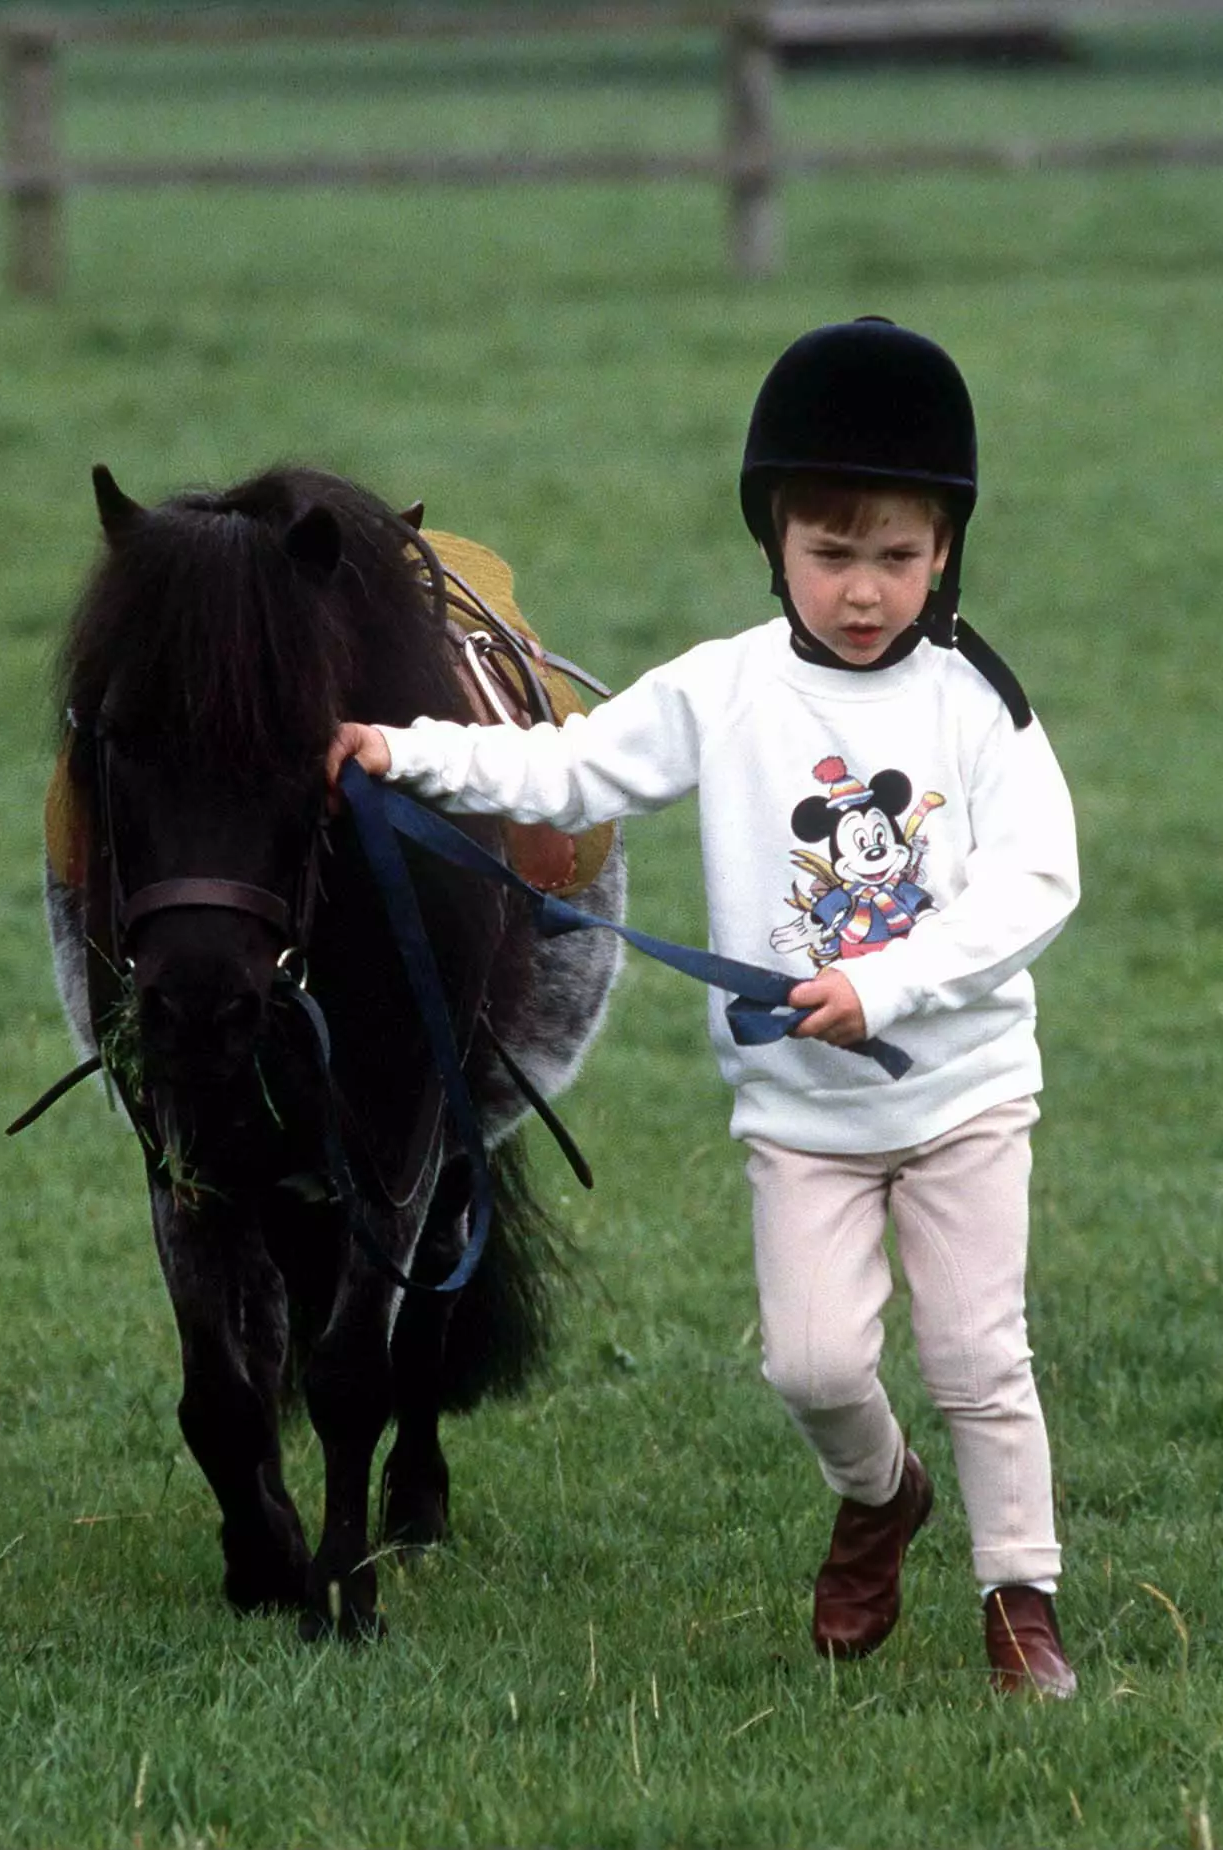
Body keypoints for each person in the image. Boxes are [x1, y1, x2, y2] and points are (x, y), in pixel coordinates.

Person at [329, 319, 1081, 1699]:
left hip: (965, 1094)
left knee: (980, 1352)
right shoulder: (725, 687)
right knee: (810, 1366)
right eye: (833, 553)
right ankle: (882, 1494)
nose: (865, 590)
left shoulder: (980, 699)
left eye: (898, 557)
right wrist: (402, 748)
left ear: (947, 550)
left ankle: (1019, 1598)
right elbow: (563, 770)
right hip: (803, 1117)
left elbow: (1041, 880)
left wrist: (885, 981)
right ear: (775, 541)